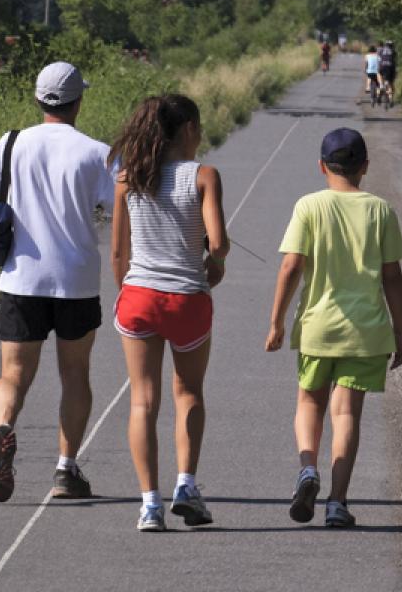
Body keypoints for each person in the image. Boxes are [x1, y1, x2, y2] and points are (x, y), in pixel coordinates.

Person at [0, 61, 115, 503]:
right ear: (78, 101)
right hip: (77, 281)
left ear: (38, 99)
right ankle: (66, 470)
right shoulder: (97, 153)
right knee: (75, 373)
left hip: (21, 280)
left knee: (13, 374)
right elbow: (123, 208)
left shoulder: (12, 144)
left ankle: (4, 426)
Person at [265, 128, 402, 528]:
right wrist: (400, 332)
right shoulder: (380, 211)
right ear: (365, 167)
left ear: (321, 166)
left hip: (318, 328)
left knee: (310, 403)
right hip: (366, 331)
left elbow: (291, 266)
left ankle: (308, 468)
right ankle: (337, 502)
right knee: (347, 414)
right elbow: (392, 276)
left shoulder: (309, 206)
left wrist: (276, 321)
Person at [109, 94, 229, 532]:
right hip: (186, 299)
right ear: (189, 129)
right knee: (189, 392)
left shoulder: (129, 177)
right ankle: (186, 485)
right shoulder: (204, 176)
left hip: (139, 296)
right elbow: (218, 244)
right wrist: (215, 263)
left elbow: (118, 252)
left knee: (142, 400)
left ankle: (149, 505)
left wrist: (127, 291)